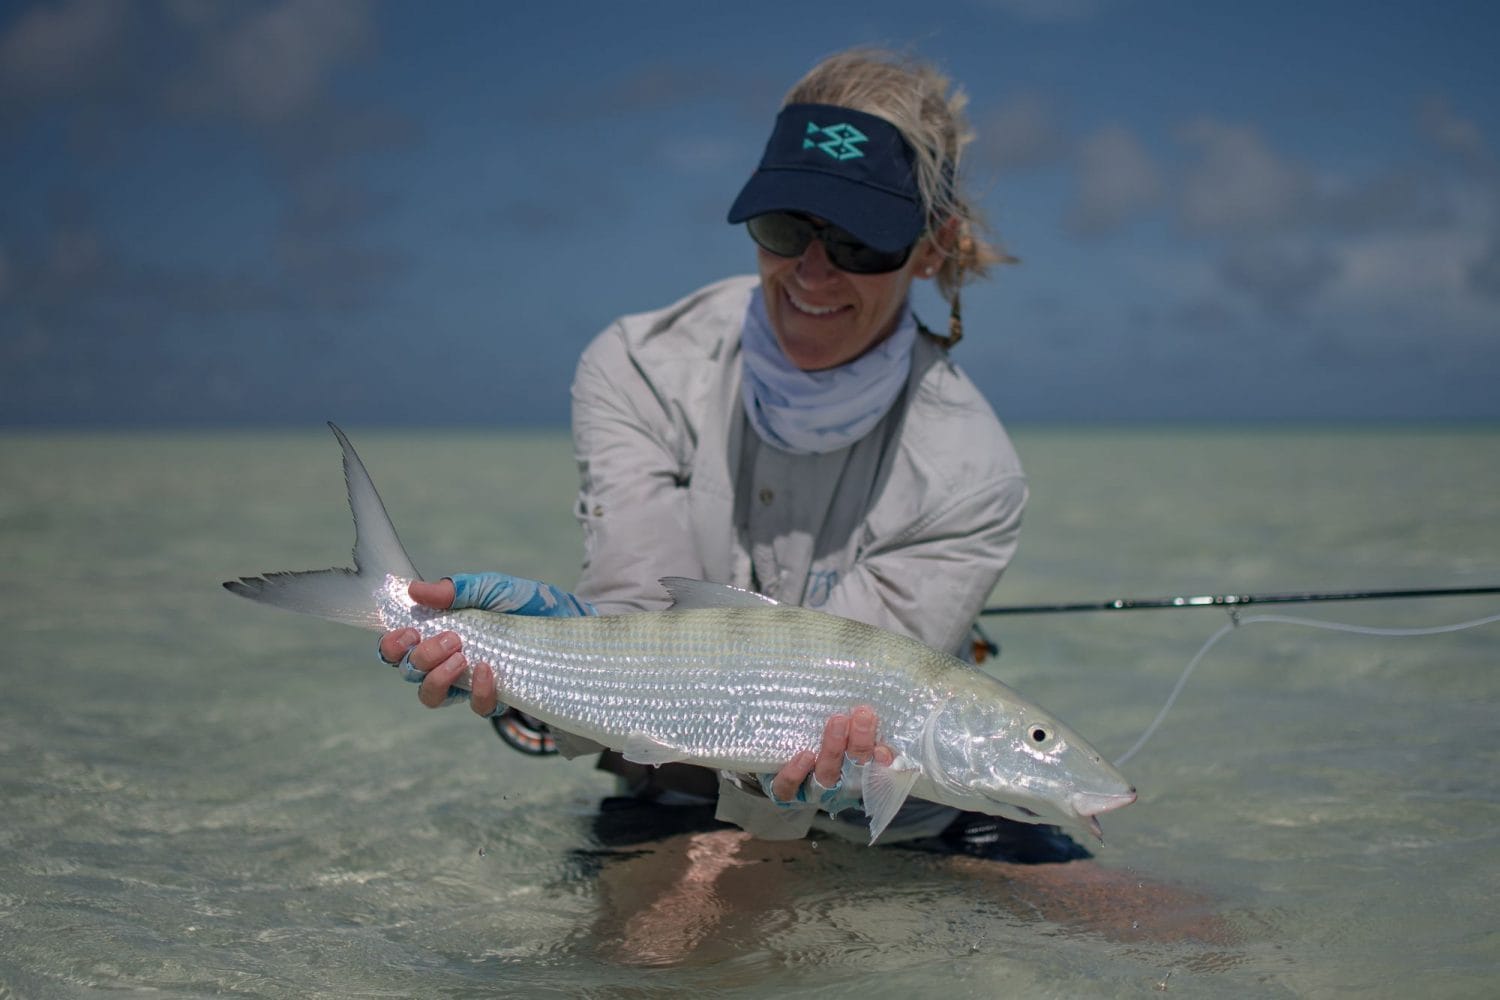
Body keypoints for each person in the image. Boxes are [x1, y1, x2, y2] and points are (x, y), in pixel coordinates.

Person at [379, 47, 1037, 849]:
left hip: (876, 822)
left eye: (861, 243)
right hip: (668, 790)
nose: (813, 273)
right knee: (676, 923)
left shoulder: (973, 473)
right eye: (785, 228)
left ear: (934, 247)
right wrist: (537, 664)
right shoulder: (638, 368)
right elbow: (638, 629)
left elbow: (834, 731)